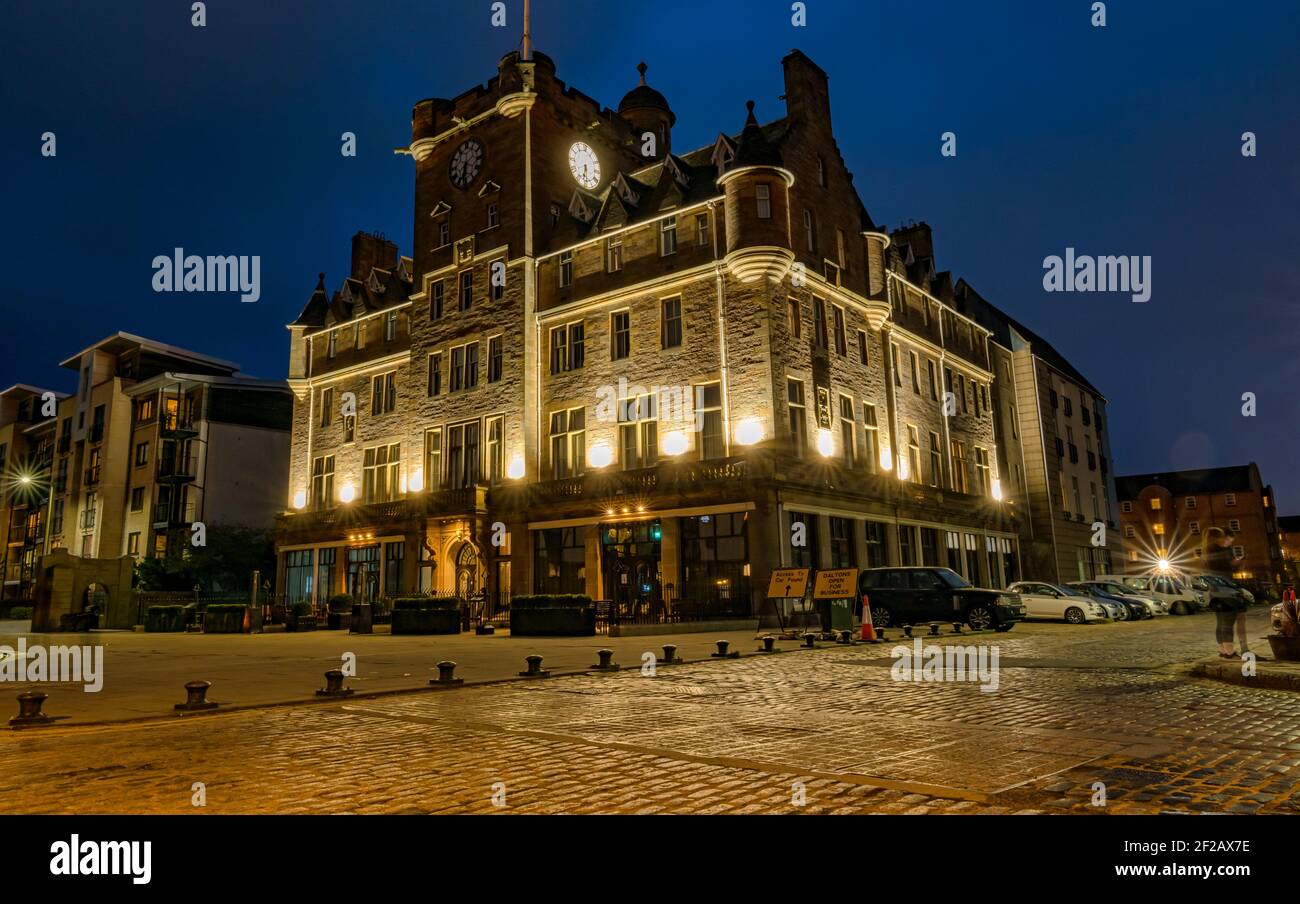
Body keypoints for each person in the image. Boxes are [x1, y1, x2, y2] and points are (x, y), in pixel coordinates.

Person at [1203, 527, 1246, 658]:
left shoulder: (1208, 550)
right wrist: (1236, 562)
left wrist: (1235, 562)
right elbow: (1225, 567)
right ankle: (1229, 652)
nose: (1230, 543)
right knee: (1228, 618)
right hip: (1224, 589)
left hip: (1215, 590)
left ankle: (1222, 650)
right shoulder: (1216, 551)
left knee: (1221, 620)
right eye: (1228, 540)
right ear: (1220, 538)